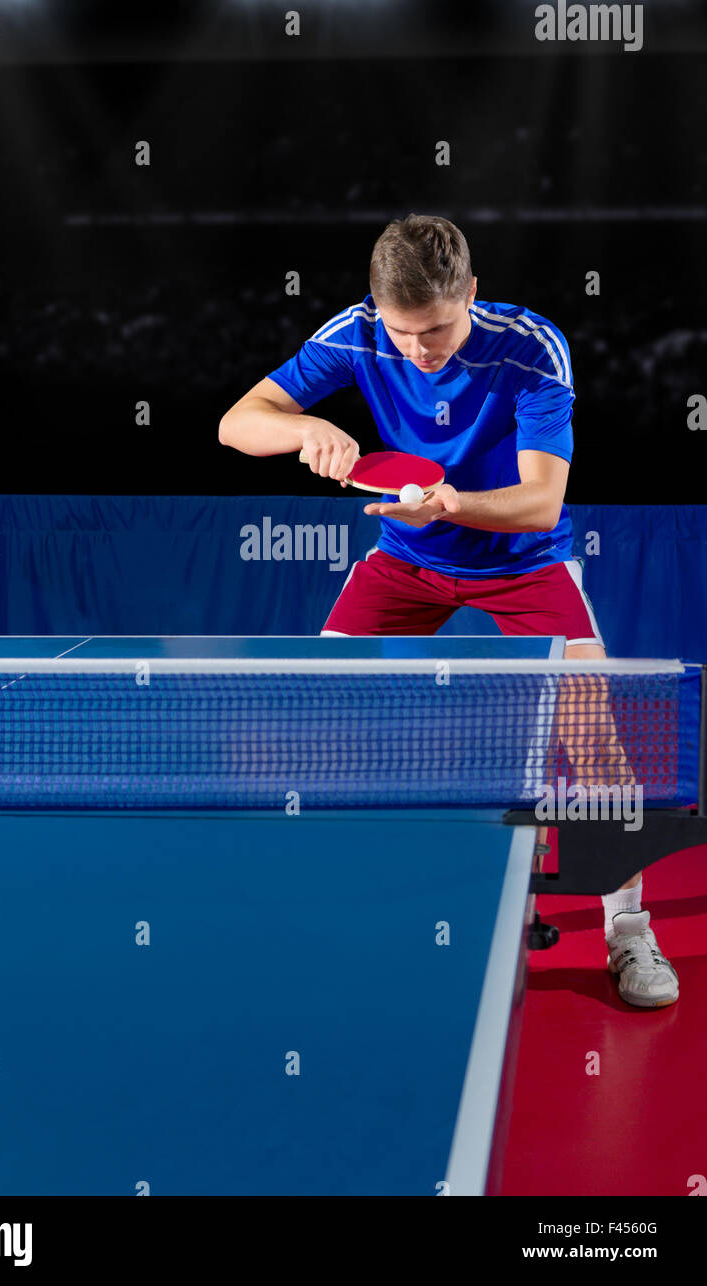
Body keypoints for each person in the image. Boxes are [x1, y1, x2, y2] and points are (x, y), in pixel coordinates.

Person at [219, 213, 678, 1009]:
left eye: (435, 330)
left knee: (593, 732)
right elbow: (236, 424)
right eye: (403, 334)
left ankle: (628, 929)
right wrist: (305, 429)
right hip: (408, 561)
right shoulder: (356, 335)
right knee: (312, 702)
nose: (421, 352)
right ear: (376, 310)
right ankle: (321, 903)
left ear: (470, 291)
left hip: (520, 562)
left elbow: (541, 502)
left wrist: (452, 503)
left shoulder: (530, 347)